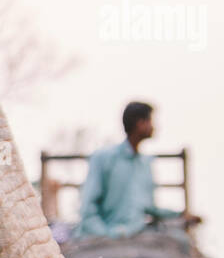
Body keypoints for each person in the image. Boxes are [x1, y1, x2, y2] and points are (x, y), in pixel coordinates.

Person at [74, 101, 202, 238]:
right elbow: (88, 208)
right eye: (150, 121)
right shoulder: (104, 158)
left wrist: (180, 215)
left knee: (180, 241)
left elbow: (149, 207)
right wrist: (106, 234)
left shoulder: (145, 163)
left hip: (135, 234)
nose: (154, 127)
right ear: (140, 123)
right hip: (105, 236)